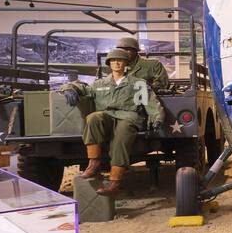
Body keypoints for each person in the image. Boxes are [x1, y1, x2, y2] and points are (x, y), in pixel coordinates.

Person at [66, 47, 164, 197]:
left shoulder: (138, 83)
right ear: (109, 64)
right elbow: (83, 88)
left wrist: (157, 118)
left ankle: (115, 181)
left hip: (129, 117)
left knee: (121, 135)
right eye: (113, 60)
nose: (117, 63)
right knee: (92, 117)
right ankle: (94, 163)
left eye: (120, 60)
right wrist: (70, 88)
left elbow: (150, 102)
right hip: (107, 115)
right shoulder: (100, 83)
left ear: (126, 63)